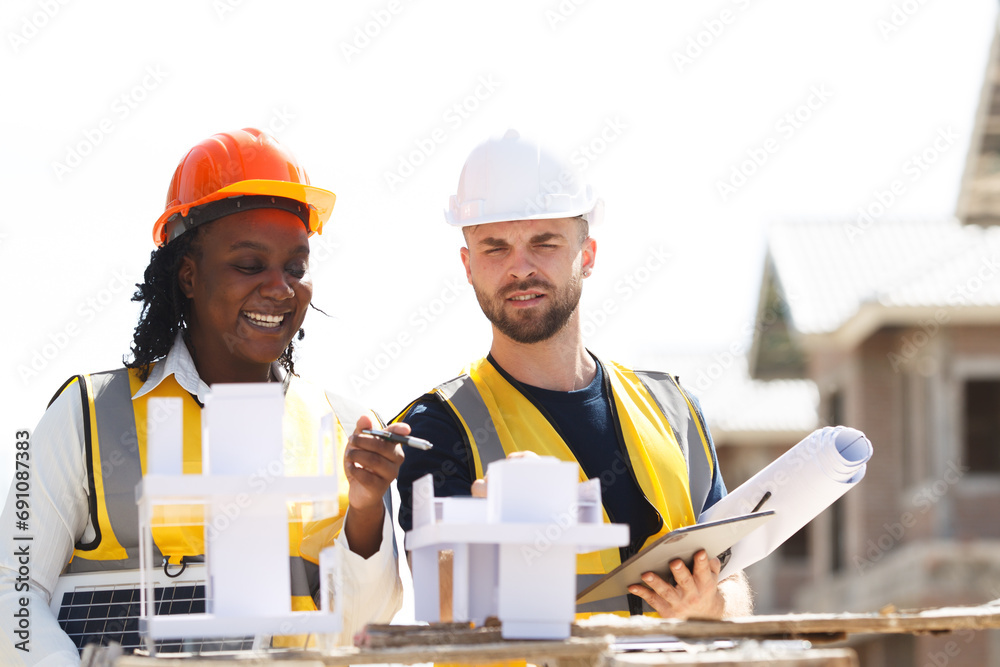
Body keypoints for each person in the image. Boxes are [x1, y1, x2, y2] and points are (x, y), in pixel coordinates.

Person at [0, 128, 404, 664]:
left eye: (296, 268)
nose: (281, 288)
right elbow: (13, 593)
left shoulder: (344, 426)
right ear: (188, 275)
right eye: (249, 264)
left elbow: (360, 630)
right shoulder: (83, 414)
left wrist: (366, 508)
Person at [395, 129, 751, 619]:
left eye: (544, 243)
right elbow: (441, 610)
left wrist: (708, 602)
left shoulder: (674, 409)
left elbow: (735, 591)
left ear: (586, 256)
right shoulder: (437, 427)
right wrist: (496, 530)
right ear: (469, 266)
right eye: (495, 248)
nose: (520, 269)